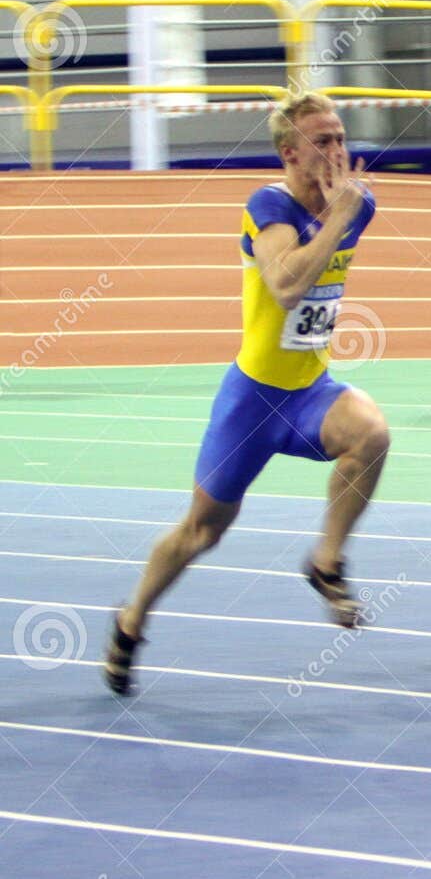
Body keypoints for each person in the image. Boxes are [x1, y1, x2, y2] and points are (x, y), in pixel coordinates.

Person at [104, 93, 388, 695]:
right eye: (323, 141)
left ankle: (327, 561)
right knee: (201, 532)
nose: (339, 151)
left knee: (372, 435)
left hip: (310, 393)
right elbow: (285, 287)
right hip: (251, 403)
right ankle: (131, 623)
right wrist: (336, 217)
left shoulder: (357, 206)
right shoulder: (267, 206)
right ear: (289, 153)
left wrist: (342, 212)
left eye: (341, 138)